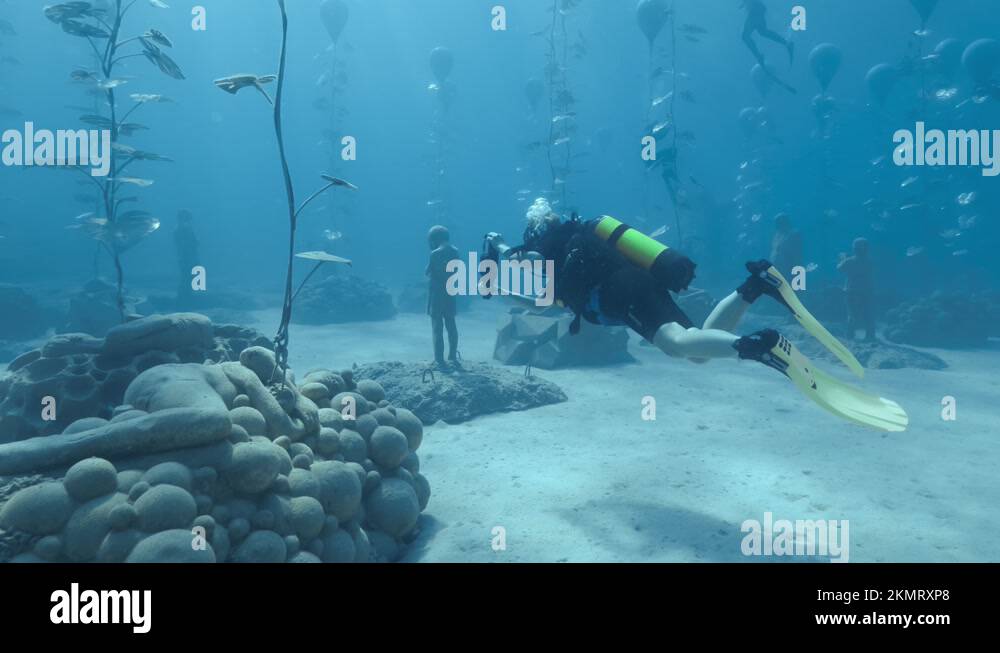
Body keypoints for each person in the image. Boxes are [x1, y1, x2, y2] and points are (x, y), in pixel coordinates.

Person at [481, 199, 907, 431]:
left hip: (618, 295)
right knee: (699, 346)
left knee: (675, 345)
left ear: (537, 230)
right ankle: (756, 285)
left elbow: (523, 270)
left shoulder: (548, 249)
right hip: (639, 281)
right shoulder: (581, 235)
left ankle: (759, 346)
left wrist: (498, 251)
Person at [426, 225, 460, 370]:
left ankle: (439, 360)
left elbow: (428, 271)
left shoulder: (434, 253)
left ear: (434, 239)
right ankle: (452, 356)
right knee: (451, 324)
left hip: (437, 294)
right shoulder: (455, 251)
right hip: (450, 292)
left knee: (437, 327)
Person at [837, 237, 876, 341]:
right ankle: (870, 336)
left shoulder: (850, 261)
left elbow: (839, 268)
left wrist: (843, 258)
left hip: (852, 290)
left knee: (852, 314)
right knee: (868, 313)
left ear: (854, 249)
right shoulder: (870, 261)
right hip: (867, 290)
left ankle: (850, 336)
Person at [742, 0, 794, 67]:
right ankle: (787, 43)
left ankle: (759, 56)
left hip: (755, 11)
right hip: (757, 9)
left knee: (745, 36)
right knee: (763, 32)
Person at [173, 209, 199, 309]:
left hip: (186, 257)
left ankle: (185, 300)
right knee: (187, 279)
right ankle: (184, 301)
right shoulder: (184, 229)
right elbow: (192, 243)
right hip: (188, 257)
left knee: (187, 278)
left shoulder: (178, 229)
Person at [770, 213, 803, 278]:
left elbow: (796, 252)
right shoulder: (777, 235)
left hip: (790, 266)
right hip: (778, 266)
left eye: (779, 221)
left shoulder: (794, 233)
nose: (777, 224)